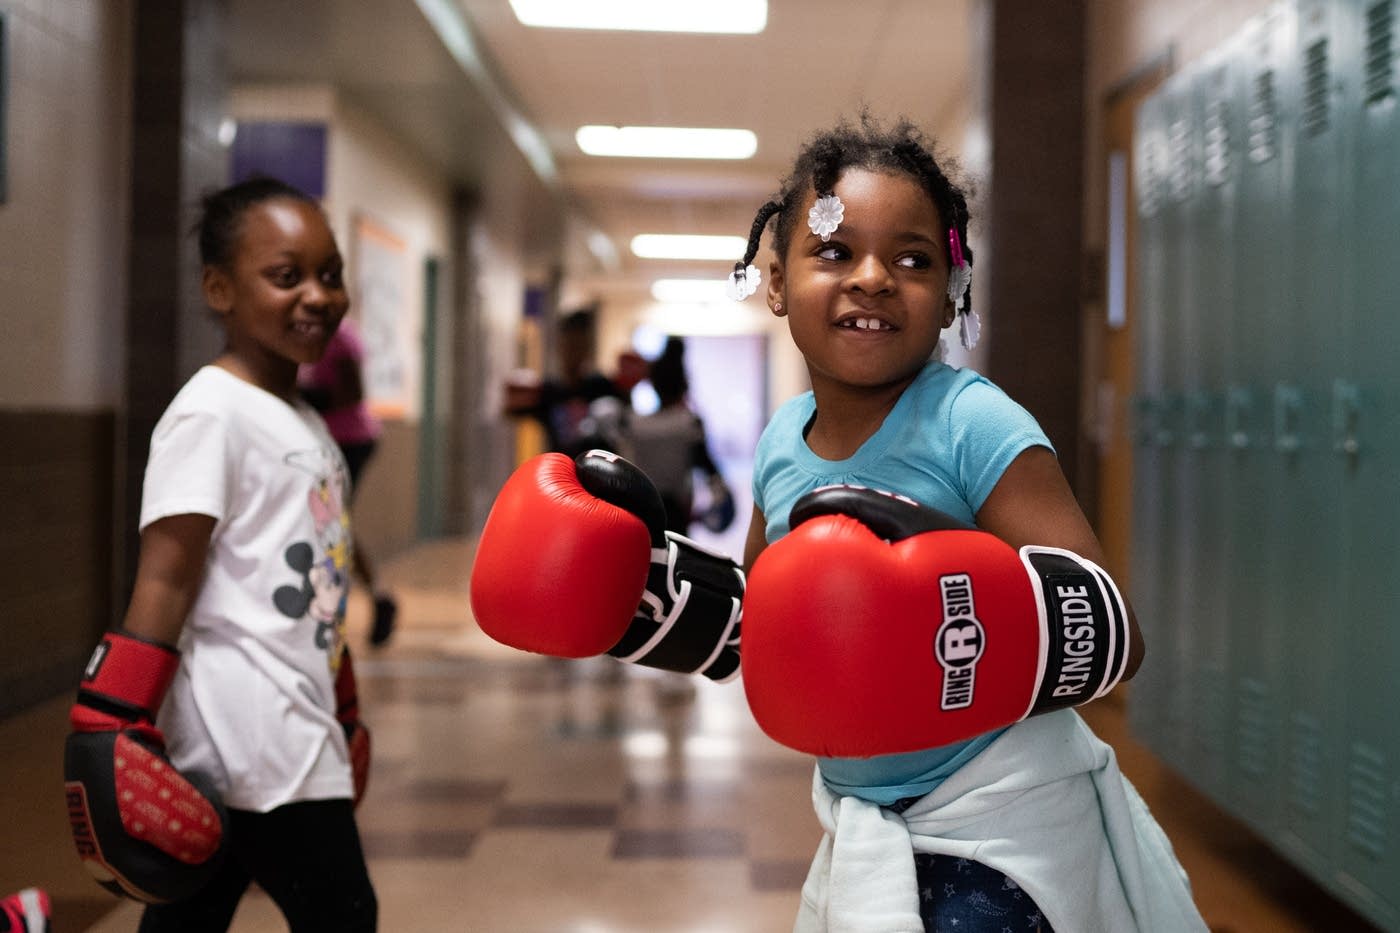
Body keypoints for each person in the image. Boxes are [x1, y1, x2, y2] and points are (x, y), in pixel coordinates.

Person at [732, 114, 1205, 931]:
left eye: (912, 259)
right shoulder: (781, 442)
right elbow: (756, 613)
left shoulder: (973, 424)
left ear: (951, 292)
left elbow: (1112, 633)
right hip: (864, 811)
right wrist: (644, 588)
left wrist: (937, 610)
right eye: (836, 251)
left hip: (1000, 806)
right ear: (776, 280)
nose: (874, 278)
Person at [63, 177, 376, 931]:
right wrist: (112, 715)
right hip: (255, 730)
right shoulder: (210, 412)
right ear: (219, 288)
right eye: (286, 275)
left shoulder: (305, 418)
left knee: (190, 919)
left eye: (329, 274)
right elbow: (167, 575)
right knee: (343, 911)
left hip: (290, 715)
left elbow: (315, 572)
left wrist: (343, 699)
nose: (316, 295)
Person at [298, 316, 398, 647]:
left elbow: (352, 392)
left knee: (332, 525)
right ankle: (377, 597)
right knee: (332, 525)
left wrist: (304, 397)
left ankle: (356, 602)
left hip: (348, 440)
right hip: (328, 438)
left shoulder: (338, 336)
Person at [625, 336, 733, 535]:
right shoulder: (688, 424)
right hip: (675, 515)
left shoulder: (634, 424)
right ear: (684, 386)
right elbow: (708, 470)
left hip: (640, 513)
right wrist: (711, 510)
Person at [504, 307, 627, 458]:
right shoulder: (549, 391)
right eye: (569, 345)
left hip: (600, 473)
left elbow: (625, 424)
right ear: (560, 347)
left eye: (578, 346)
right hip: (561, 472)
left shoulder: (603, 387)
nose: (573, 352)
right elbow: (510, 412)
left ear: (587, 348)